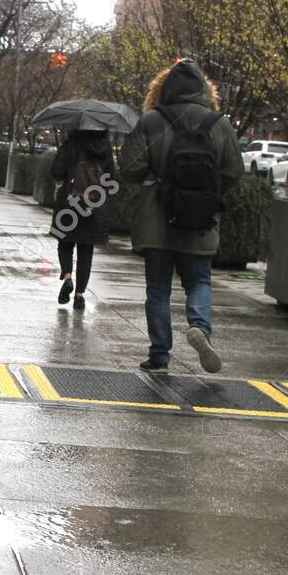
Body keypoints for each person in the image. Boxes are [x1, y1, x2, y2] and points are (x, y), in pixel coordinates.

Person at [120, 59, 243, 374]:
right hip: (200, 220)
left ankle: (160, 354)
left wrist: (157, 176)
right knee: (199, 280)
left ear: (165, 88)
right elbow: (233, 172)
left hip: (156, 220)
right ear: (204, 89)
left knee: (158, 289)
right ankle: (200, 326)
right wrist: (206, 192)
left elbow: (130, 170)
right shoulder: (220, 123)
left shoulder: (150, 121)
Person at [48, 129, 115, 309]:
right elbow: (111, 178)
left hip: (70, 203)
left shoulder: (72, 143)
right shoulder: (105, 146)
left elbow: (56, 171)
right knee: (86, 250)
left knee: (65, 242)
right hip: (94, 205)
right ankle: (79, 295)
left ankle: (68, 276)